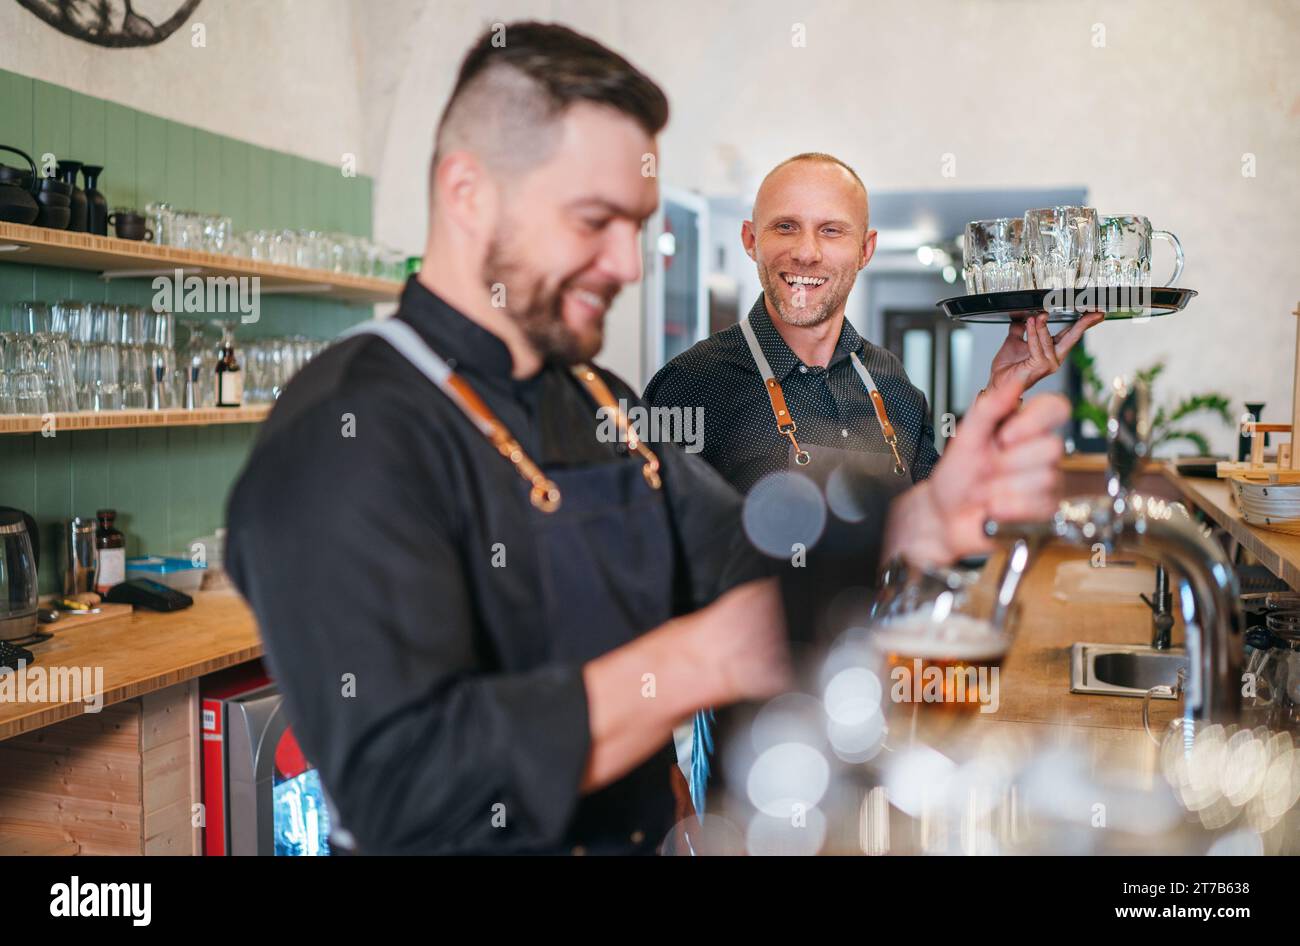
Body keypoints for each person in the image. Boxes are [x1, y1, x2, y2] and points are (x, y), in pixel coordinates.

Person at [224, 22, 1070, 856]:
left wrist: (921, 518)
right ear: (468, 192)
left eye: (636, 224)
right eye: (595, 220)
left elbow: (744, 554)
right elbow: (406, 788)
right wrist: (709, 657)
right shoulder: (343, 435)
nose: (630, 265)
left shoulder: (603, 402)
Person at [644, 152, 1103, 495]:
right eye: (785, 226)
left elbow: (938, 511)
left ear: (866, 250)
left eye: (831, 230)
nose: (806, 252)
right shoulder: (690, 386)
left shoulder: (892, 382)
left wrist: (1001, 392)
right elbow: (651, 566)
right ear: (751, 240)